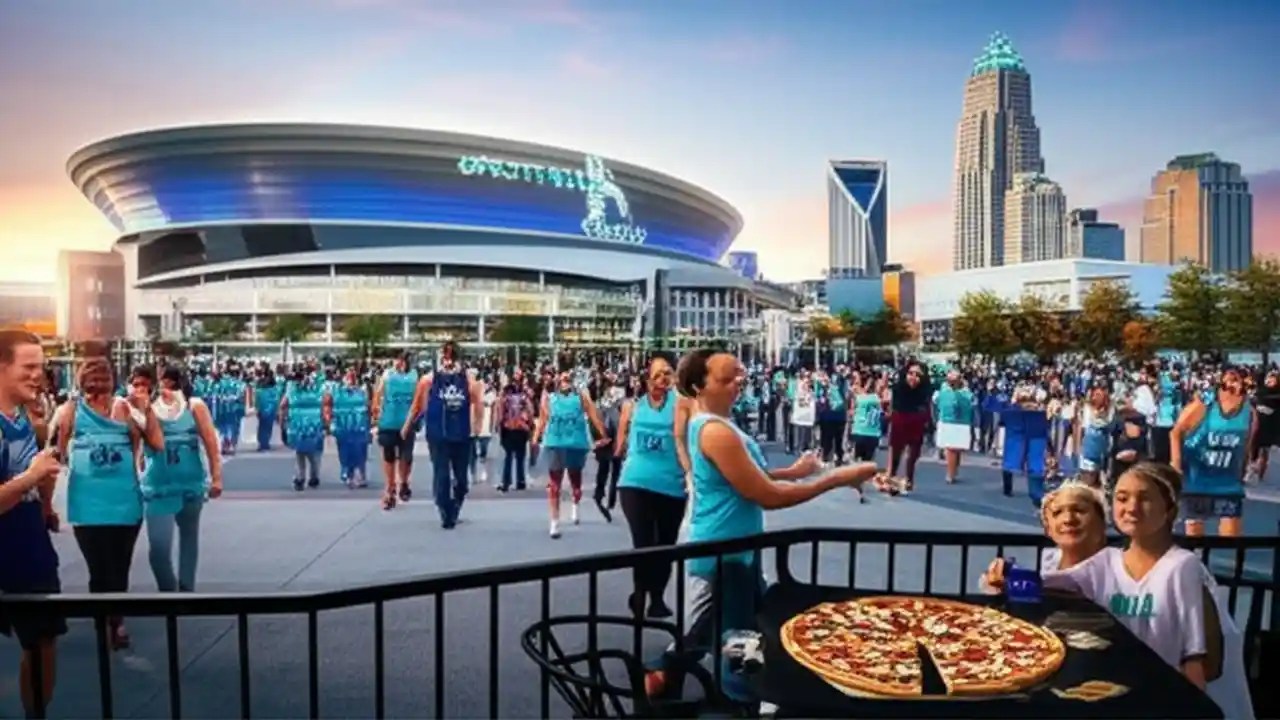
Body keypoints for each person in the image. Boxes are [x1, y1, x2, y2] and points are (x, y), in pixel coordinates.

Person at [644, 349, 876, 704]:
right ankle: (736, 700)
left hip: (734, 550)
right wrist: (836, 478)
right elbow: (767, 495)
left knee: (721, 629)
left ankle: (670, 675)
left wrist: (794, 473)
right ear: (698, 387)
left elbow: (746, 477)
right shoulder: (714, 432)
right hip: (724, 552)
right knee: (738, 639)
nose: (737, 383)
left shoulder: (719, 426)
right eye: (725, 379)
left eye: (737, 374)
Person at [1041, 463, 1253, 720]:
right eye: (1122, 498)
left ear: (1169, 510)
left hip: (1163, 704)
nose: (1131, 507)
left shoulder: (1183, 566)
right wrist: (1003, 576)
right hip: (1120, 701)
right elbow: (1047, 584)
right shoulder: (1104, 562)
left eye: (1145, 498)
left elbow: (1198, 658)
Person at [56, 354, 164, 650]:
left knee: (117, 568)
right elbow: (56, 452)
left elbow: (157, 443)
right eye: (93, 382)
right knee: (101, 569)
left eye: (103, 381)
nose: (98, 388)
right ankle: (107, 622)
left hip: (123, 503)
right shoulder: (69, 412)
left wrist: (146, 408)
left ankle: (113, 621)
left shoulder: (127, 408)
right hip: (89, 506)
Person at [0, 330, 64, 716]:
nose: (38, 375)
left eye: (41, 366)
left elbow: (34, 470)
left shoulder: (26, 418)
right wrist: (32, 475)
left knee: (43, 640)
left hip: (28, 544)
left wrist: (44, 503)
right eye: (28, 367)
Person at [614, 356, 692, 618]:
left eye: (667, 374)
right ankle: (640, 593)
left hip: (671, 484)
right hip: (635, 482)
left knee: (666, 544)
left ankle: (657, 596)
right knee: (644, 542)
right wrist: (611, 451)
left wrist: (692, 474)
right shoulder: (632, 406)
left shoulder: (682, 405)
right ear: (646, 379)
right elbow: (622, 440)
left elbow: (687, 440)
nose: (662, 379)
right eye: (657, 374)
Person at [139, 365, 223, 592]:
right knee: (158, 549)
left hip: (190, 482)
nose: (165, 388)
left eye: (170, 382)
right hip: (158, 485)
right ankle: (169, 591)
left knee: (189, 539)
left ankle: (187, 590)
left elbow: (211, 442)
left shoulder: (194, 406)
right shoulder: (146, 408)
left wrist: (217, 477)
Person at [403, 342, 483, 529]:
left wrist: (477, 426)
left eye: (452, 358)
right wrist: (407, 425)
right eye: (445, 358)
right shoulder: (429, 380)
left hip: (462, 434)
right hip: (438, 434)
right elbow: (417, 405)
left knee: (462, 480)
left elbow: (478, 402)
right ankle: (444, 510)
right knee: (442, 475)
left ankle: (455, 505)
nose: (448, 362)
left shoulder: (468, 380)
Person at [1170, 366, 1253, 537]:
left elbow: (1246, 446)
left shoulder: (1249, 412)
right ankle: (1197, 561)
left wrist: (1243, 472)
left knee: (1232, 538)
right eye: (1230, 379)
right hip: (1197, 480)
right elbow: (1176, 432)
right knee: (1195, 538)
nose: (1234, 383)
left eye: (1238, 379)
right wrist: (1176, 464)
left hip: (1228, 484)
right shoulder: (1205, 404)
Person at [532, 369, 608, 538]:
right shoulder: (551, 398)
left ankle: (574, 504)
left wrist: (603, 434)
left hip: (571, 444)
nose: (564, 378)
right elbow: (543, 419)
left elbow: (593, 415)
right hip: (559, 443)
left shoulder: (579, 396)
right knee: (555, 484)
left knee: (573, 481)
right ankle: (555, 522)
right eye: (562, 375)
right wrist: (536, 438)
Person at [372, 352, 418, 510]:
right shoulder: (387, 375)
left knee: (406, 457)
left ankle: (403, 482)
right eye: (398, 360)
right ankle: (390, 488)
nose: (400, 363)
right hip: (388, 422)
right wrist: (376, 415)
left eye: (404, 360)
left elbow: (419, 398)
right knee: (389, 456)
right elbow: (378, 394)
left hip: (407, 422)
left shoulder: (414, 376)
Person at [279, 368, 330, 492]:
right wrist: (326, 424)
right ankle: (314, 476)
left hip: (297, 424)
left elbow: (283, 405)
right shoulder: (319, 388)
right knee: (314, 452)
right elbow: (325, 405)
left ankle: (300, 477)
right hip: (314, 423)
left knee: (300, 453)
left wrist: (282, 423)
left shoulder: (291, 388)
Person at [887, 361, 932, 493]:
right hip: (900, 420)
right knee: (896, 453)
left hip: (917, 422)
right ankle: (893, 480)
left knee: (912, 455)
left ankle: (908, 478)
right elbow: (891, 405)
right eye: (911, 374)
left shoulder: (925, 391)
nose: (913, 377)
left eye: (918, 375)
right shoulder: (898, 388)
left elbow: (928, 408)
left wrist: (928, 423)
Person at [332, 368, 371, 489]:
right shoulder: (338, 391)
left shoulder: (362, 391)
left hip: (359, 425)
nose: (350, 381)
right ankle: (349, 475)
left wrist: (371, 425)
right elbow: (333, 406)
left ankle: (362, 476)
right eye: (348, 377)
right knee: (346, 452)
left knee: (361, 451)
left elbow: (368, 407)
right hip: (344, 426)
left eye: (352, 378)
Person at [933, 369, 974, 484]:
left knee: (952, 450)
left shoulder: (945, 391)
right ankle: (953, 471)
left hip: (949, 423)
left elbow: (936, 401)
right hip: (960, 423)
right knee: (955, 450)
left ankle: (951, 474)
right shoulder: (966, 392)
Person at [495, 375, 533, 492]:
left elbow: (500, 413)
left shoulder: (505, 398)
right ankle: (520, 481)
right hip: (522, 429)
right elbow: (530, 411)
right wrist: (530, 425)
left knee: (508, 456)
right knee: (520, 457)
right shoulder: (524, 397)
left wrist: (498, 426)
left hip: (508, 428)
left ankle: (506, 482)